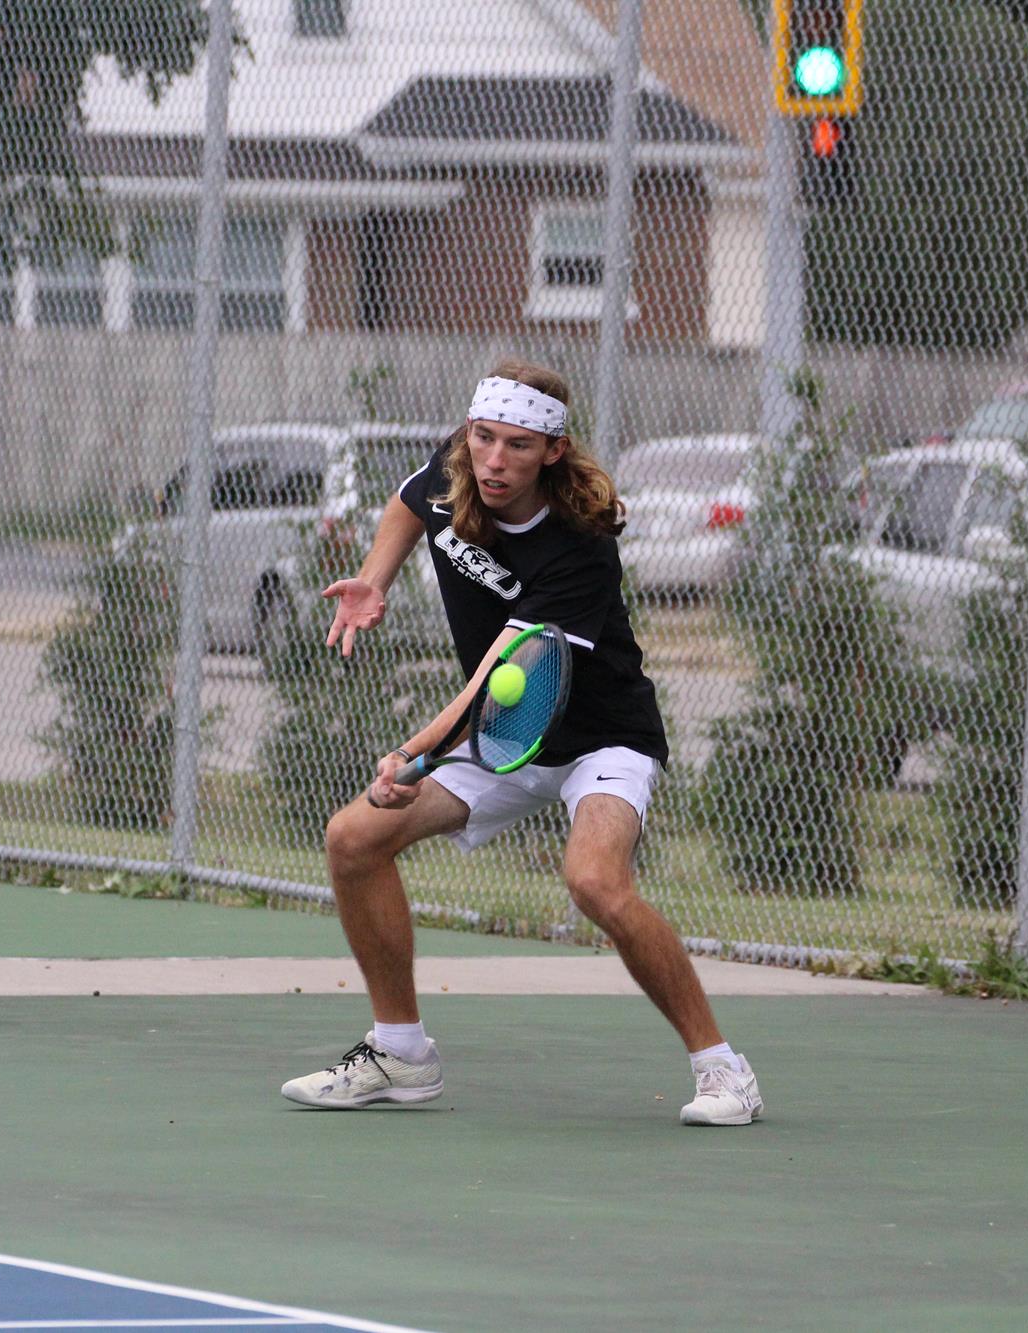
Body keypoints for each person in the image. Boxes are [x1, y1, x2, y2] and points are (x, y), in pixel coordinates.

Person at [279, 360, 762, 1126]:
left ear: (553, 452)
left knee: (595, 880)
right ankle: (402, 1053)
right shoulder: (458, 467)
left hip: (599, 736)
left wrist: (411, 753)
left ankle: (723, 1069)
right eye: (483, 439)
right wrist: (376, 577)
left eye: (516, 445)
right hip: (509, 733)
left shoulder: (579, 546)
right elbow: (408, 506)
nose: (494, 460)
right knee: (353, 839)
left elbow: (500, 675)